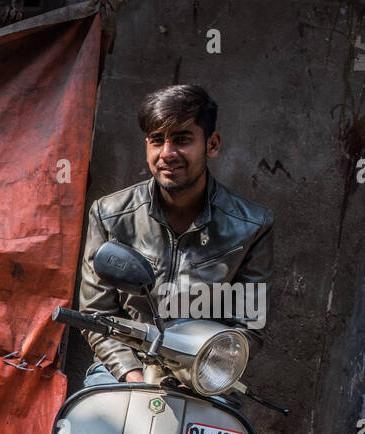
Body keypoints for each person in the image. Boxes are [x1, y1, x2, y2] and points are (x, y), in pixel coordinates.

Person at [79, 84, 273, 386]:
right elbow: (95, 312)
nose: (167, 153)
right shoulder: (109, 214)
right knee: (83, 428)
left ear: (212, 144)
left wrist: (201, 374)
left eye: (182, 139)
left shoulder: (252, 225)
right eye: (157, 140)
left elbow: (248, 325)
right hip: (121, 370)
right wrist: (132, 375)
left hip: (204, 378)